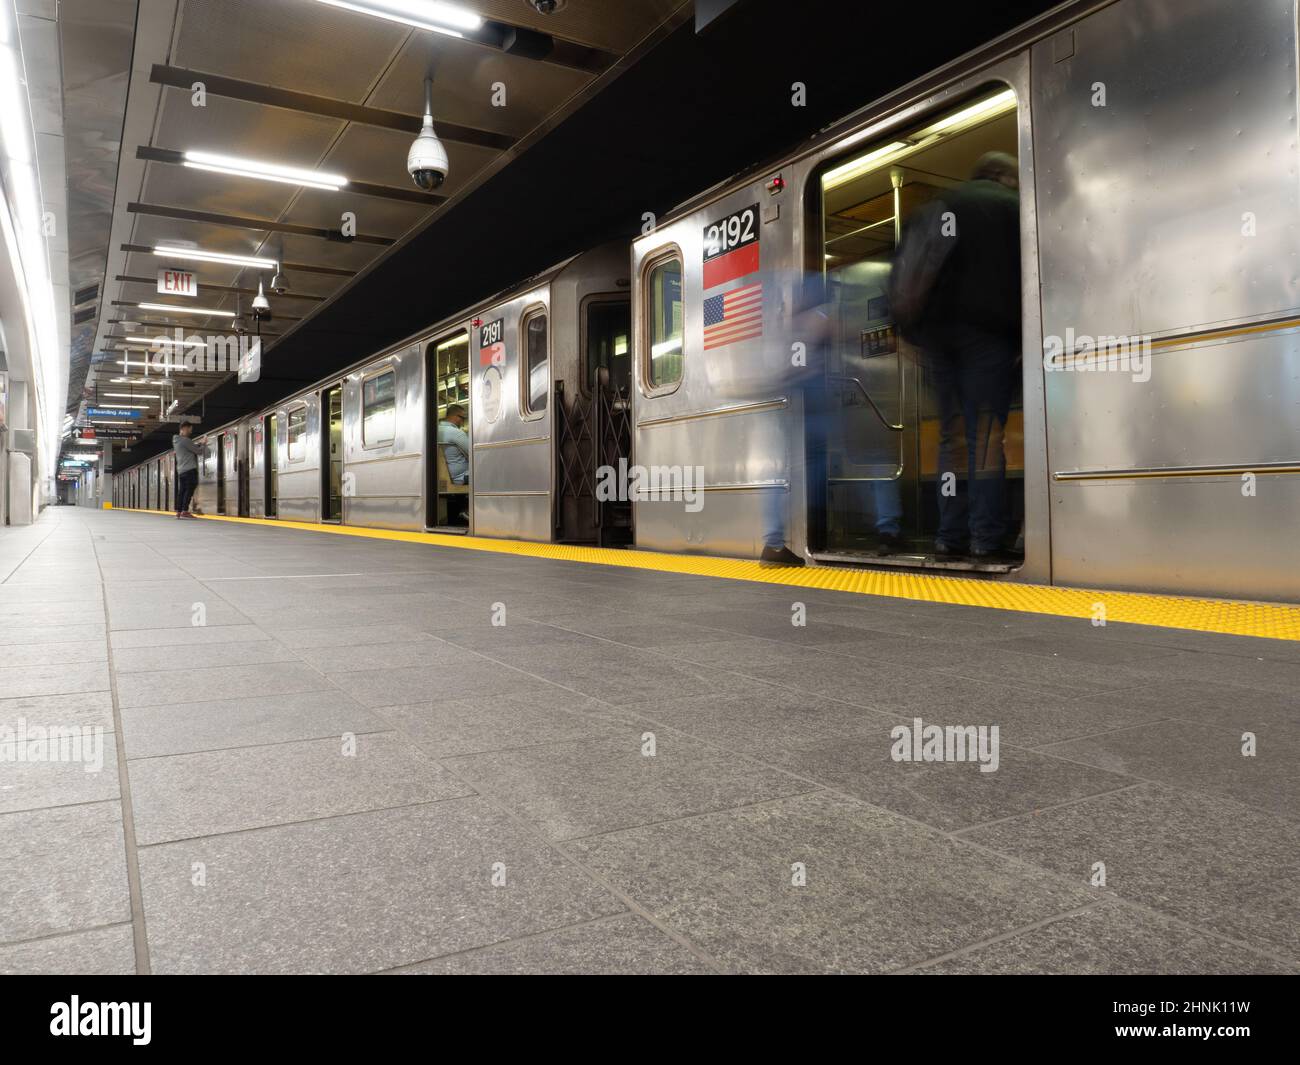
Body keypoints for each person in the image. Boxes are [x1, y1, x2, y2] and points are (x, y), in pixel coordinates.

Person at [898, 151, 1021, 560]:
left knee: (951, 440)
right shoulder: (1011, 206)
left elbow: (908, 271)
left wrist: (910, 333)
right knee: (984, 438)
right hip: (988, 336)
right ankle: (986, 536)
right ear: (1004, 176)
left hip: (938, 340)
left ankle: (949, 535)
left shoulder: (939, 205)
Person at [172, 422, 201, 519]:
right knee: (190, 489)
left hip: (181, 470)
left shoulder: (177, 440)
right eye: (190, 429)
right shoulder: (186, 440)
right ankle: (185, 510)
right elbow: (198, 451)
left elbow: (189, 448)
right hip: (189, 469)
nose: (191, 431)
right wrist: (204, 443)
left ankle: (179, 511)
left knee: (182, 490)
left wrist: (197, 444)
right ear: (184, 429)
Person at [437, 404, 470, 485]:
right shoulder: (456, 433)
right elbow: (473, 455)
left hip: (440, 478)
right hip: (460, 478)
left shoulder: (433, 432)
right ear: (455, 416)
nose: (462, 422)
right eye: (462, 418)